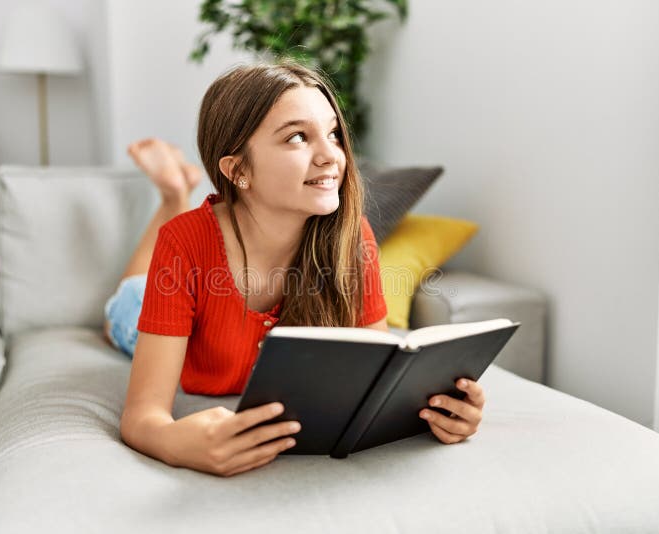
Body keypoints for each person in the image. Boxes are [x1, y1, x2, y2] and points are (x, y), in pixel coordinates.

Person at [106, 60, 486, 478]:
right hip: (144, 310)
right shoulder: (183, 242)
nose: (331, 156)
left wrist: (445, 411)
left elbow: (379, 372)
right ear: (239, 171)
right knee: (128, 298)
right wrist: (178, 444)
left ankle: (176, 194)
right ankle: (173, 195)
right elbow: (141, 417)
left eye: (333, 134)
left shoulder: (352, 237)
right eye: (297, 137)